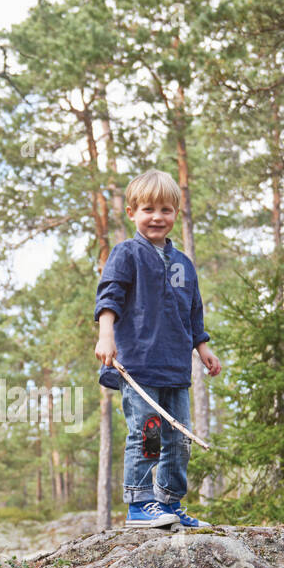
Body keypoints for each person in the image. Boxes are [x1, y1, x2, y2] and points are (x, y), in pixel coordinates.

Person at [94, 168, 221, 528]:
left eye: (166, 210)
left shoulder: (183, 264)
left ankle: (169, 502)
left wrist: (203, 348)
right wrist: (107, 336)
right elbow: (110, 298)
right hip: (139, 366)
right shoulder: (126, 254)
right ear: (132, 212)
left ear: (175, 214)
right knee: (148, 432)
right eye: (148, 209)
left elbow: (193, 311)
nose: (157, 217)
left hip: (175, 369)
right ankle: (139, 503)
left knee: (179, 439)